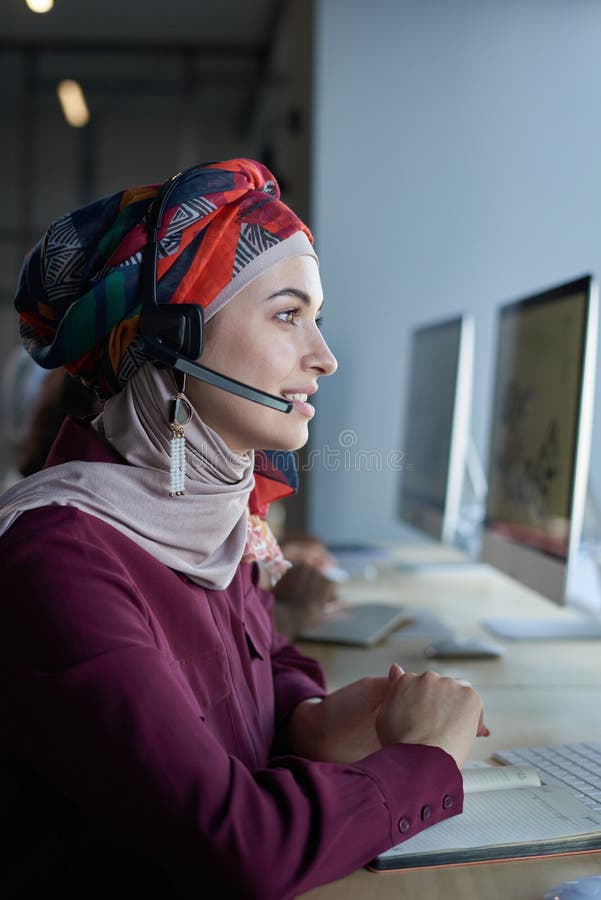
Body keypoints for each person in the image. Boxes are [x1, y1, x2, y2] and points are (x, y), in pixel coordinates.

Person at [0, 159, 488, 900]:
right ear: (168, 338)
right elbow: (243, 849)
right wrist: (424, 761)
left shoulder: (209, 511)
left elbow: (268, 656)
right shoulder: (61, 563)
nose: (322, 357)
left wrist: (308, 720)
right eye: (288, 315)